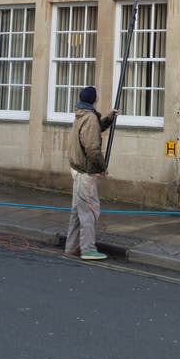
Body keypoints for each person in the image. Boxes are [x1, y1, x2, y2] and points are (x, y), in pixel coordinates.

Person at [64, 86, 118, 261]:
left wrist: (109, 118)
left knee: (77, 211)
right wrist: (102, 167)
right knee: (90, 211)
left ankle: (71, 247)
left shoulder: (81, 114)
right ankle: (87, 249)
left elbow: (94, 131)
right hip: (86, 172)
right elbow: (93, 149)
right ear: (93, 100)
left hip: (77, 170)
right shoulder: (90, 118)